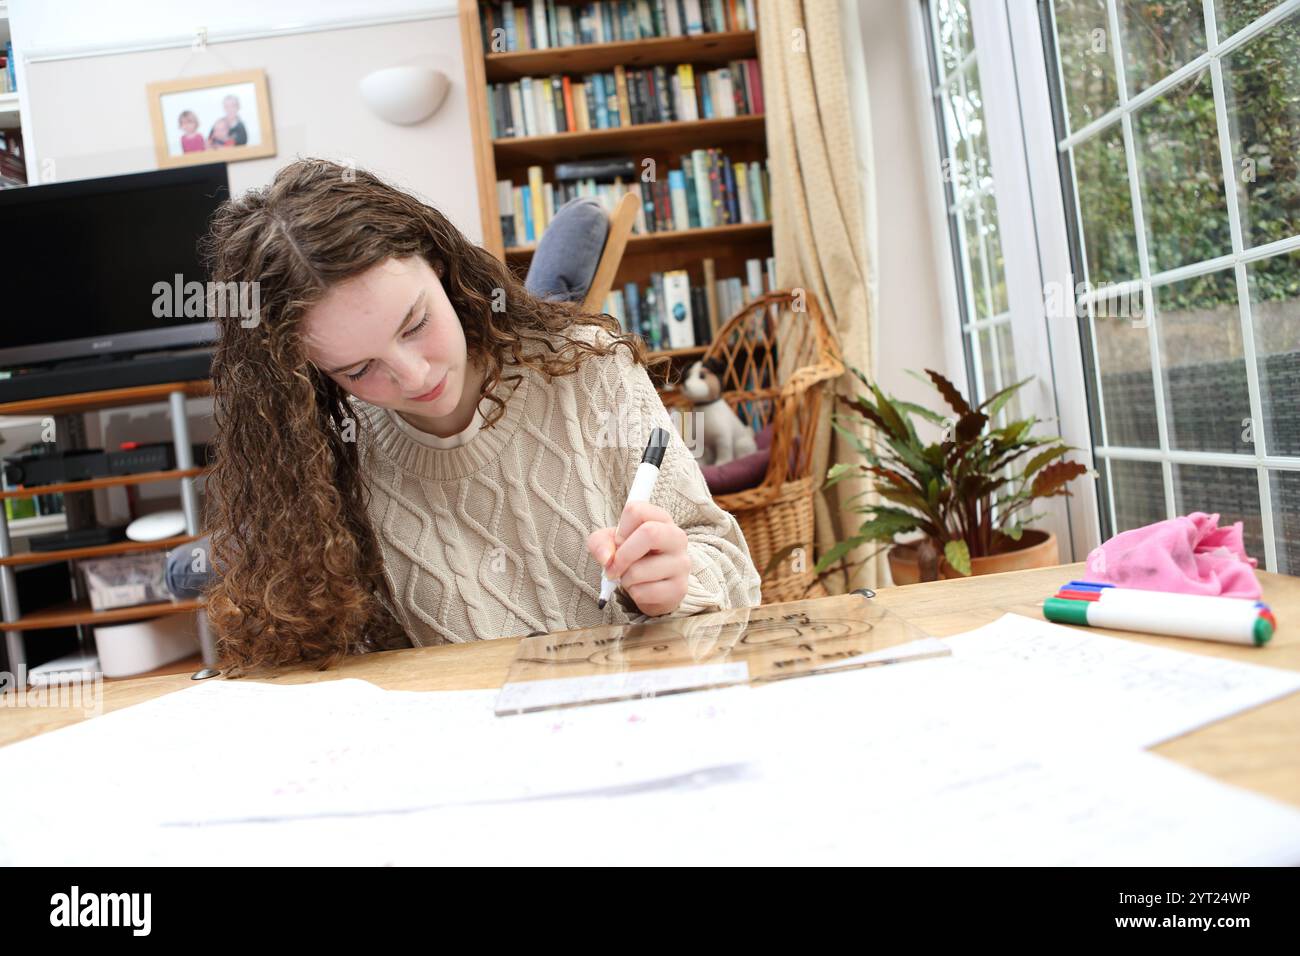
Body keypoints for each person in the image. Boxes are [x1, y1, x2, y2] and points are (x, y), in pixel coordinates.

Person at [200, 159, 761, 672]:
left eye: (415, 325)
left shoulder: (590, 372)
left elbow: (734, 572)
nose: (414, 377)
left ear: (440, 267)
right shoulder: (326, 453)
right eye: (358, 368)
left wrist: (678, 584)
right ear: (311, 370)